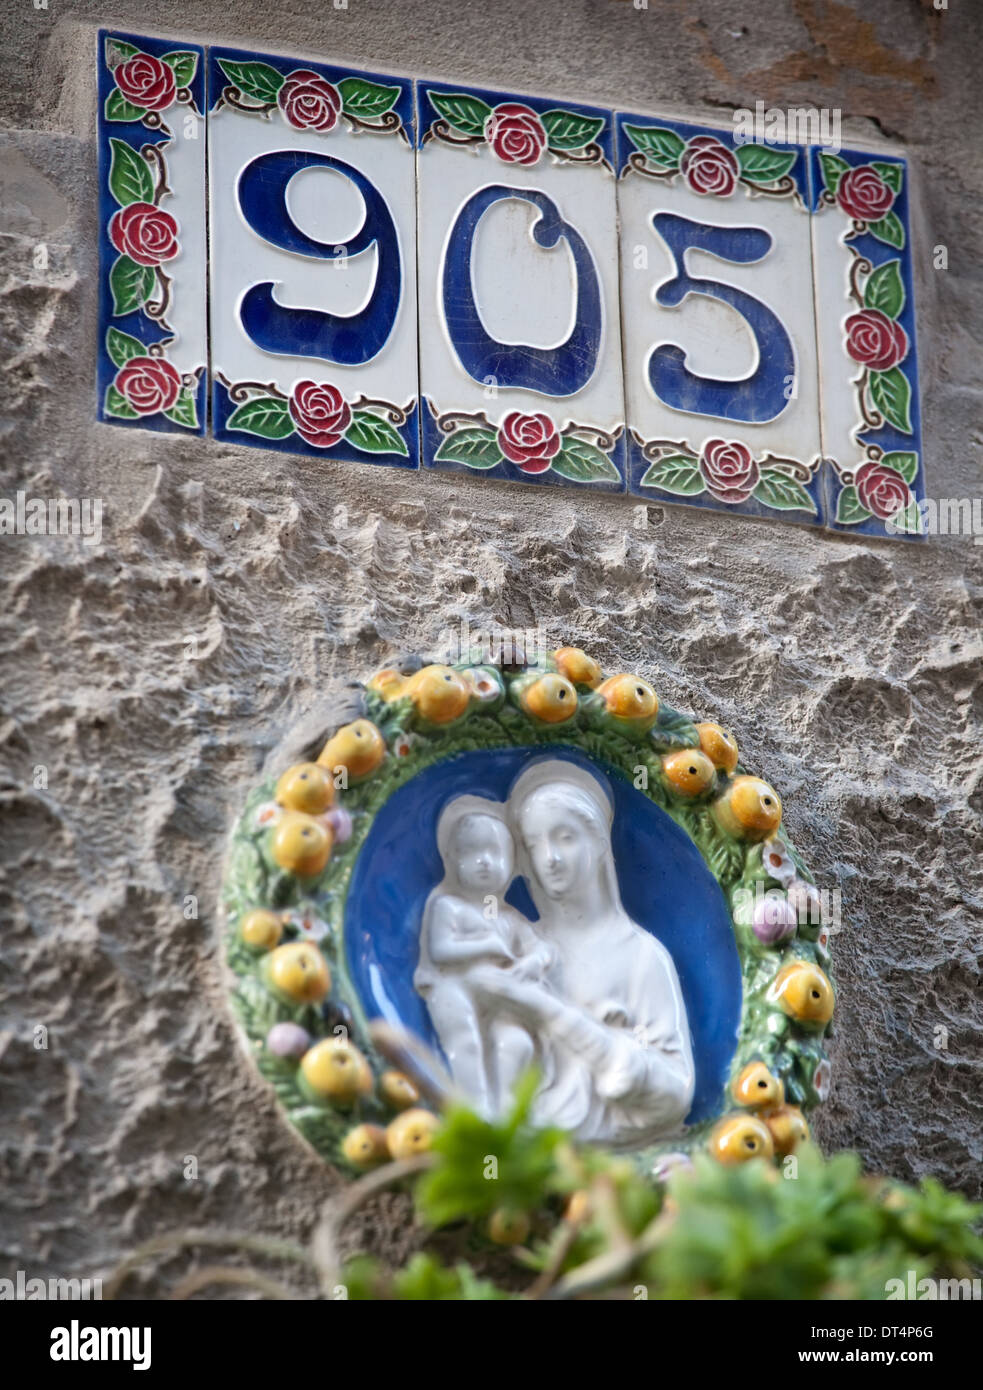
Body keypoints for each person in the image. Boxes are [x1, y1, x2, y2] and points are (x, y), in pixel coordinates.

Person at [414, 797, 551, 1116]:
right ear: (452, 860)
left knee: (517, 1044)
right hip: (454, 988)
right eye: (472, 853)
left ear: (511, 864)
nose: (484, 862)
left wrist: (533, 961)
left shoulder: (508, 917)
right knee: (466, 1042)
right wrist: (486, 946)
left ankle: (504, 1111)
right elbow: (441, 951)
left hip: (500, 997)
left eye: (494, 853)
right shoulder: (448, 905)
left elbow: (542, 949)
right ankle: (475, 1109)